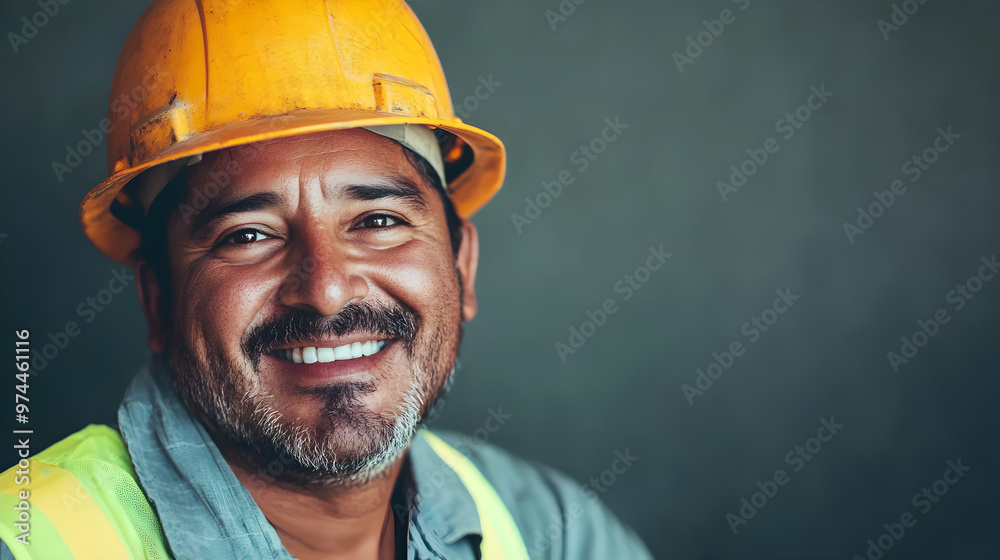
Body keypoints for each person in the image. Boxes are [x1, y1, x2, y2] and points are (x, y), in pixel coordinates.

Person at [0, 1, 652, 558]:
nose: (327, 289)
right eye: (248, 235)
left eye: (377, 220)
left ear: (462, 266)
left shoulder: (552, 534)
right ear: (158, 302)